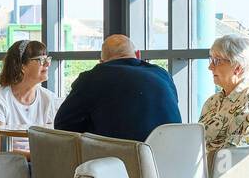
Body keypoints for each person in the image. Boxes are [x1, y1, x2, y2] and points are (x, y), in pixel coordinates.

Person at [53, 34, 181, 141]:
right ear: (138, 54)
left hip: (125, 158)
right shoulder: (163, 74)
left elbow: (62, 125)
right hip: (173, 156)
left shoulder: (93, 77)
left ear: (102, 62)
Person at [199, 34, 249, 157]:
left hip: (233, 167)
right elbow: (196, 141)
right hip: (199, 165)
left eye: (217, 61)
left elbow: (235, 151)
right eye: (211, 60)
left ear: (237, 68)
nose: (210, 67)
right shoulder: (212, 101)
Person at [0, 39, 59, 151]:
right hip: (1, 160)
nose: (48, 64)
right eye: (41, 60)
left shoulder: (49, 98)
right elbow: (2, 149)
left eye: (48, 59)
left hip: (38, 159)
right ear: (22, 65)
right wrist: (39, 156)